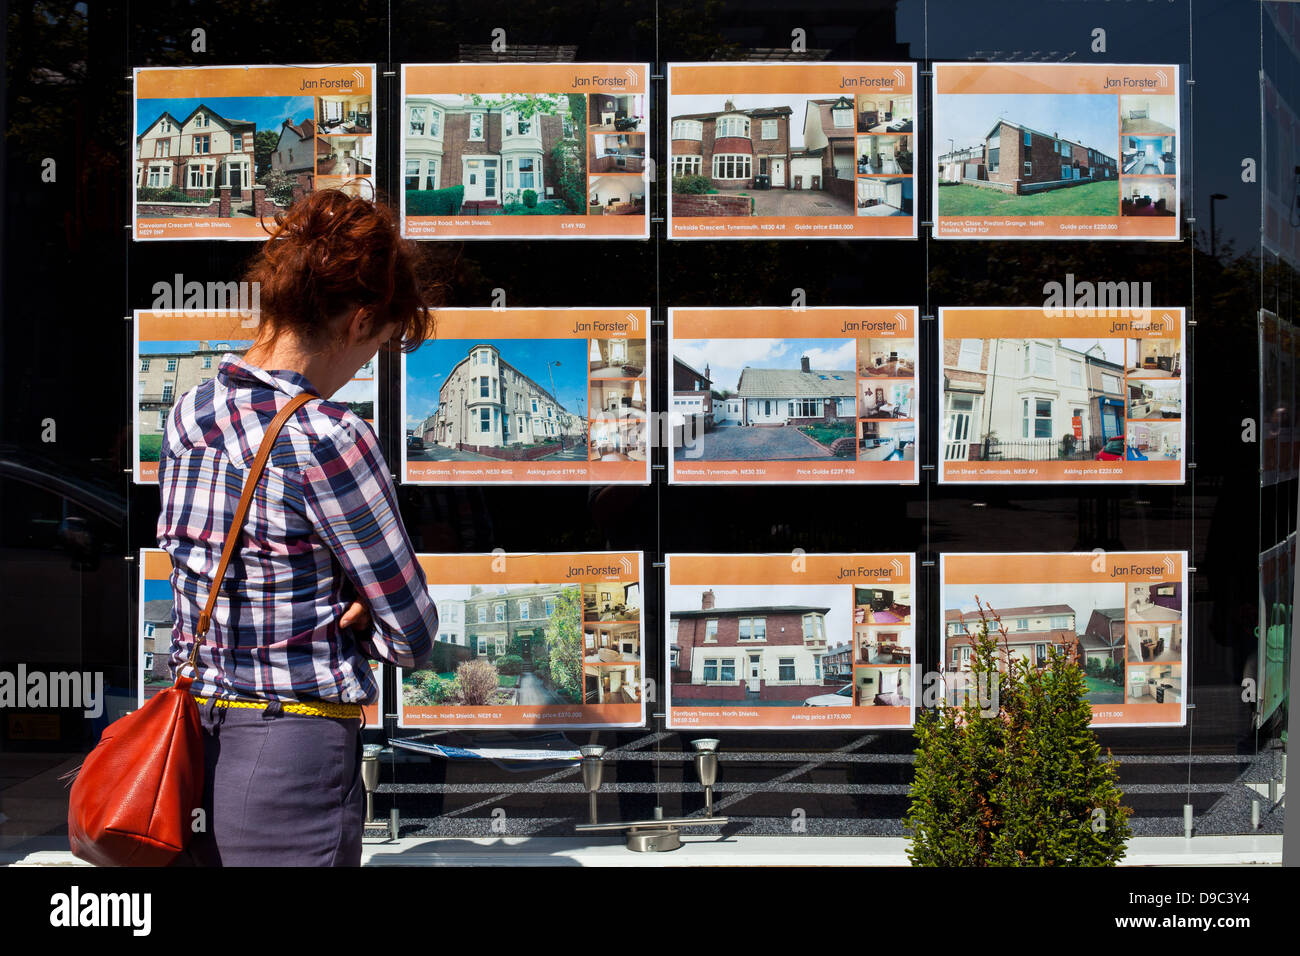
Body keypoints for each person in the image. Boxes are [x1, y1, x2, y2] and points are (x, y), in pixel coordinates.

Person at [156, 188, 439, 866]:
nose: (368, 362)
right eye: (380, 342)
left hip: (192, 740)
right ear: (359, 320)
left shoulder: (191, 410)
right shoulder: (329, 436)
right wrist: (359, 611)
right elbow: (413, 631)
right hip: (294, 751)